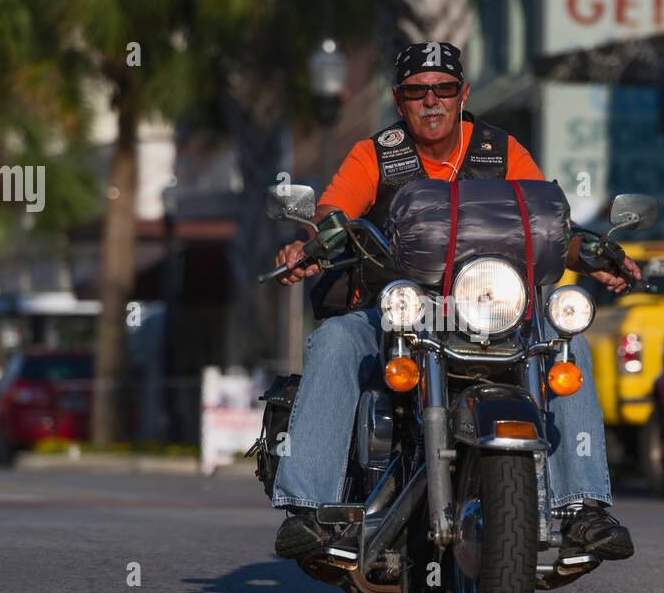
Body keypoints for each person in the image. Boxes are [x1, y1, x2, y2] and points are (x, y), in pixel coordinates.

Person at [270, 41, 639, 563]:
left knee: (564, 345)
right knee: (334, 338)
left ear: (463, 94)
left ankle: (584, 509)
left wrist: (592, 251)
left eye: (444, 89)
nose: (432, 101)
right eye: (417, 92)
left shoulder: (501, 151)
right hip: (397, 314)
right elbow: (333, 216)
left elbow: (549, 224)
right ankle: (308, 507)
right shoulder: (374, 154)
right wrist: (310, 244)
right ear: (400, 101)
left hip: (493, 312)